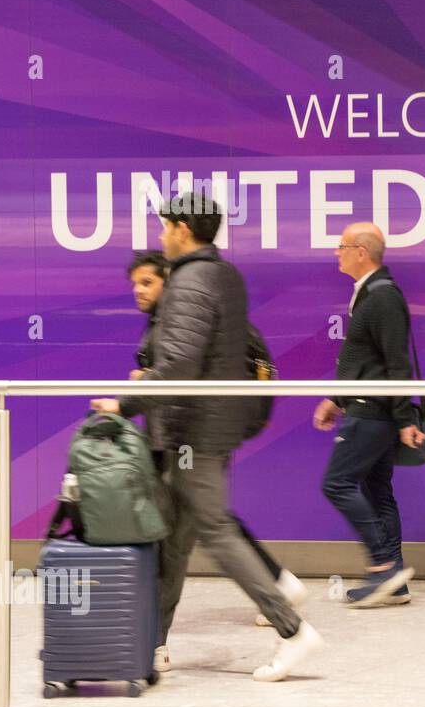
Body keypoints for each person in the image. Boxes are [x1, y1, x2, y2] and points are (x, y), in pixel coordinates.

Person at [92, 193, 323, 681]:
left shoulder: (190, 282)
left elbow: (178, 365)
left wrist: (124, 402)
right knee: (175, 543)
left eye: (164, 227)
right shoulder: (225, 275)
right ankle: (151, 645)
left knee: (216, 533)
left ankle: (293, 630)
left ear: (181, 228)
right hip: (210, 428)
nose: (160, 236)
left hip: (194, 431)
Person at [125, 250, 309, 633]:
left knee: (203, 527)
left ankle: (286, 612)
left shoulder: (183, 321)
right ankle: (154, 642)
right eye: (135, 284)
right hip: (176, 440)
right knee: (195, 530)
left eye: (148, 282)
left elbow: (180, 375)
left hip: (190, 443)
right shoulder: (166, 322)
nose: (138, 291)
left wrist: (137, 390)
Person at [315, 222, 425, 607]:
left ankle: (384, 567)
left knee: (337, 483)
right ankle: (393, 582)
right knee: (377, 492)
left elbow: (396, 364)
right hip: (368, 405)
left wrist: (405, 419)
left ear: (361, 252)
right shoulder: (371, 294)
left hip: (373, 411)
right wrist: (338, 398)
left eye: (342, 246)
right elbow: (370, 360)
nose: (336, 252)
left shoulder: (382, 297)